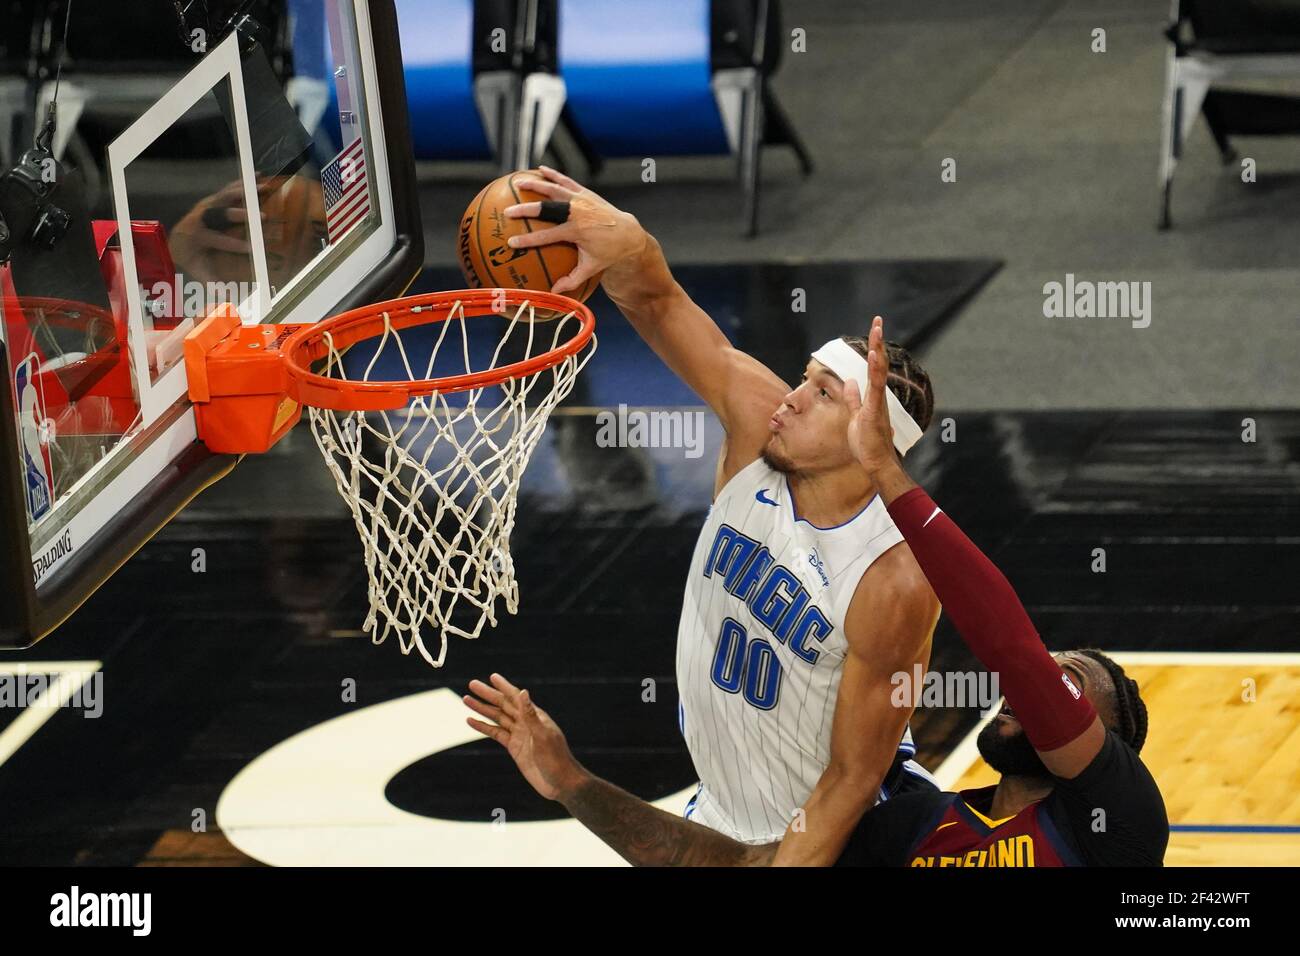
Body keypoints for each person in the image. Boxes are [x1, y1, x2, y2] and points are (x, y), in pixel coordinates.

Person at [464, 316, 1169, 867]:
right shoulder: (909, 831)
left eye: (1069, 682)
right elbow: (725, 861)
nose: (1040, 684)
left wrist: (886, 475)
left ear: (1106, 744)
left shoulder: (1117, 826)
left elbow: (1011, 647)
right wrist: (571, 784)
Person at [473, 167, 943, 865]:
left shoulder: (891, 581)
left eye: (822, 394)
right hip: (722, 808)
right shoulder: (761, 425)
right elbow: (660, 305)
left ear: (867, 438)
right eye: (805, 377)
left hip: (838, 837)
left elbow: (851, 781)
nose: (793, 397)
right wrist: (631, 247)